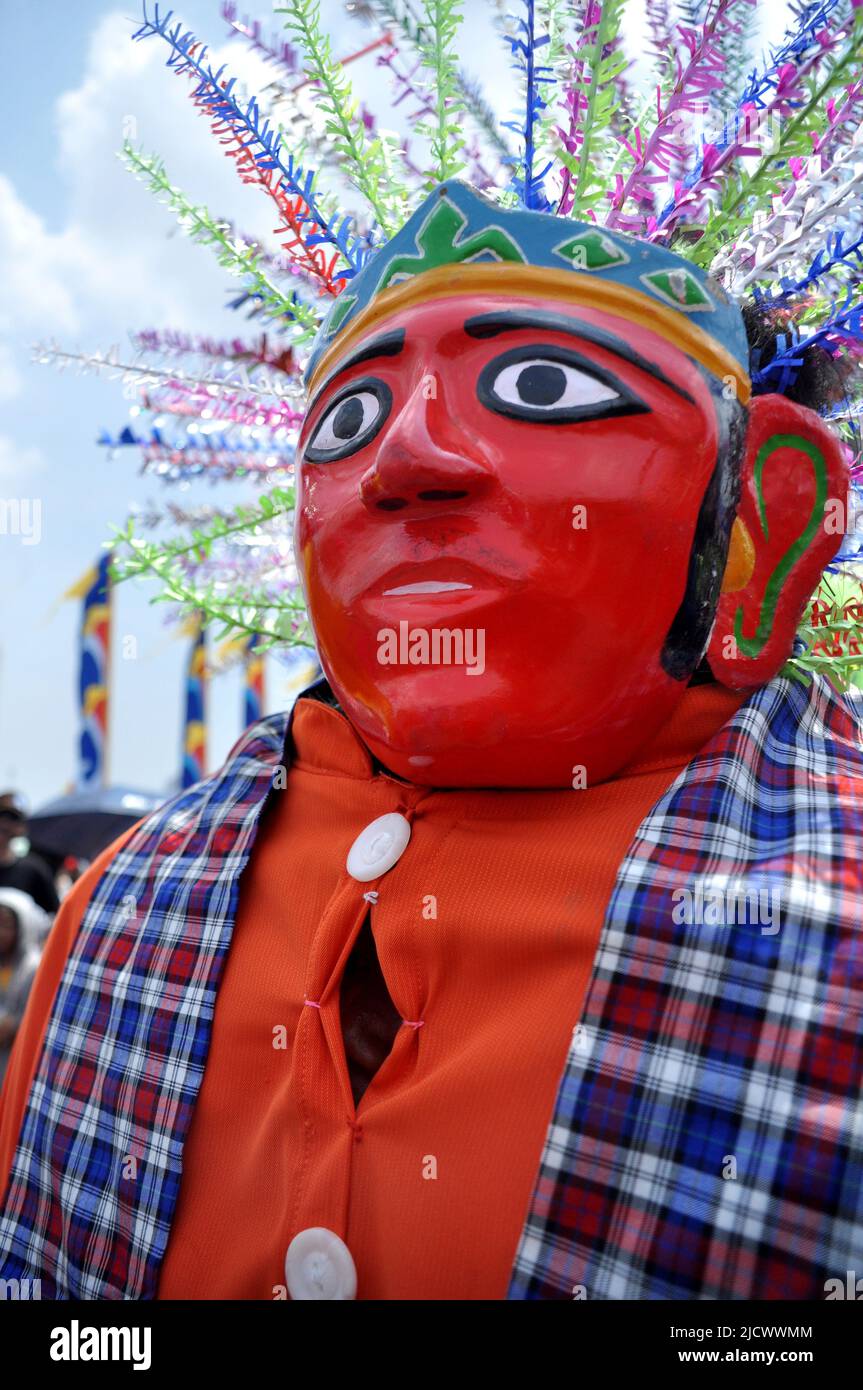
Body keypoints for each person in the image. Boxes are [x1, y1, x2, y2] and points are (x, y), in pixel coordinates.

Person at [2, 3, 863, 1302]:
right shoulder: (120, 904)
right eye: (349, 416)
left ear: (762, 514)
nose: (405, 455)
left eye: (542, 388)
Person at [0, 890, 45, 1087]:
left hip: (13, 1058)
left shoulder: (32, 967)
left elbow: (32, 1017)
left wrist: (13, 1025)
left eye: (6, 925)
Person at [0, 794, 60, 917]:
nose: (4, 824)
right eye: (1, 816)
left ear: (22, 827)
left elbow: (53, 915)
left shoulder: (34, 870)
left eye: (12, 819)